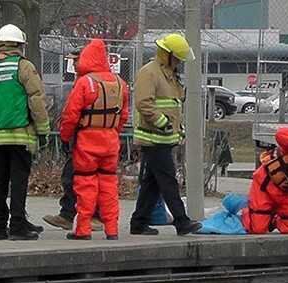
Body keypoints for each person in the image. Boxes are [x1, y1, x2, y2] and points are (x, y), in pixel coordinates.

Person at [0, 24, 50, 240]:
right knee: (18, 180)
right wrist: (43, 130)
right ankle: (17, 226)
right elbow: (36, 100)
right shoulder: (24, 67)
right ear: (19, 45)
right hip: (20, 135)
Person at [130, 33, 202, 236]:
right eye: (177, 58)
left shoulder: (168, 74)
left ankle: (139, 222)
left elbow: (173, 105)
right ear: (167, 55)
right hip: (154, 138)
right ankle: (182, 221)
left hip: (164, 137)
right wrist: (163, 123)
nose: (179, 62)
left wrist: (177, 129)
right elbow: (144, 103)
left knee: (152, 183)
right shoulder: (149, 73)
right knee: (168, 181)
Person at [59, 39, 130, 240]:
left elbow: (70, 115)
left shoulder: (85, 83)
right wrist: (112, 132)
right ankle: (112, 229)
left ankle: (83, 229)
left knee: (85, 184)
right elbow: (123, 116)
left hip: (87, 141)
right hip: (110, 141)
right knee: (108, 185)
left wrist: (66, 138)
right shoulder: (120, 83)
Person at [44, 47, 102, 233]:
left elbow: (73, 113)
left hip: (85, 137)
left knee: (78, 177)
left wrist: (65, 133)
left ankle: (87, 216)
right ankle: (71, 214)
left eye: (76, 60)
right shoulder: (87, 80)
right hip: (89, 137)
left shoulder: (87, 82)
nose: (74, 64)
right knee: (77, 177)